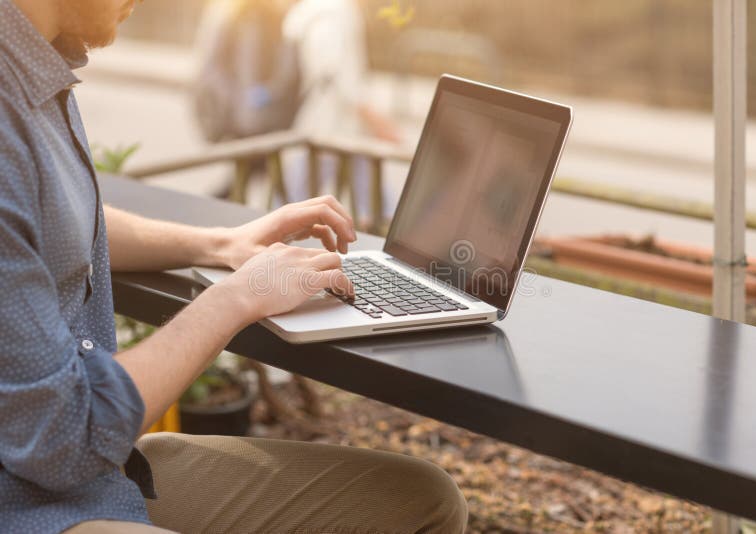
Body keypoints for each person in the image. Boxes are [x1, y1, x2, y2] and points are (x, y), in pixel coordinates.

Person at [0, 1, 468, 533]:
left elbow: (51, 214)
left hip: (89, 476)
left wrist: (220, 243)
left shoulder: (31, 64)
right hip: (30, 502)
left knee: (421, 499)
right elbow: (66, 434)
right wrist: (234, 298)